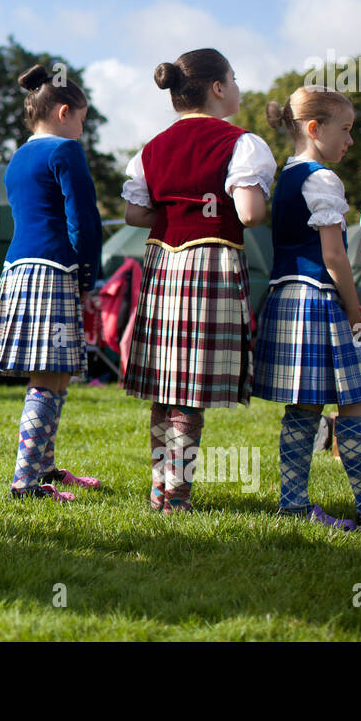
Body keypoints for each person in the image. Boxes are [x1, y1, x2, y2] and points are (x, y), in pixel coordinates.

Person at [253, 87, 361, 530]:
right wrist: (353, 306)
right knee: (356, 404)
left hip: (284, 296)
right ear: (313, 128)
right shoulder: (322, 178)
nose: (351, 140)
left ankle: (293, 505)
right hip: (317, 298)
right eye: (345, 129)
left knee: (302, 409)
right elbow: (335, 256)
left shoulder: (286, 177)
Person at [121, 49, 274, 514]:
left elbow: (133, 213)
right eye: (234, 77)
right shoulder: (242, 144)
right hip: (210, 262)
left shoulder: (151, 147)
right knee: (191, 388)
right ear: (218, 88)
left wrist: (176, 208)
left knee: (165, 386)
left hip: (163, 262)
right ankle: (178, 498)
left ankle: (158, 493)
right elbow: (249, 213)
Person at [0, 64, 102, 499]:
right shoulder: (65, 152)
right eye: (83, 122)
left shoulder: (18, 157)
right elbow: (84, 223)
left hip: (17, 270)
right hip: (55, 270)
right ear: (65, 112)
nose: (83, 132)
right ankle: (25, 482)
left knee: (56, 373)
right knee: (49, 377)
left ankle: (45, 468)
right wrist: (88, 274)